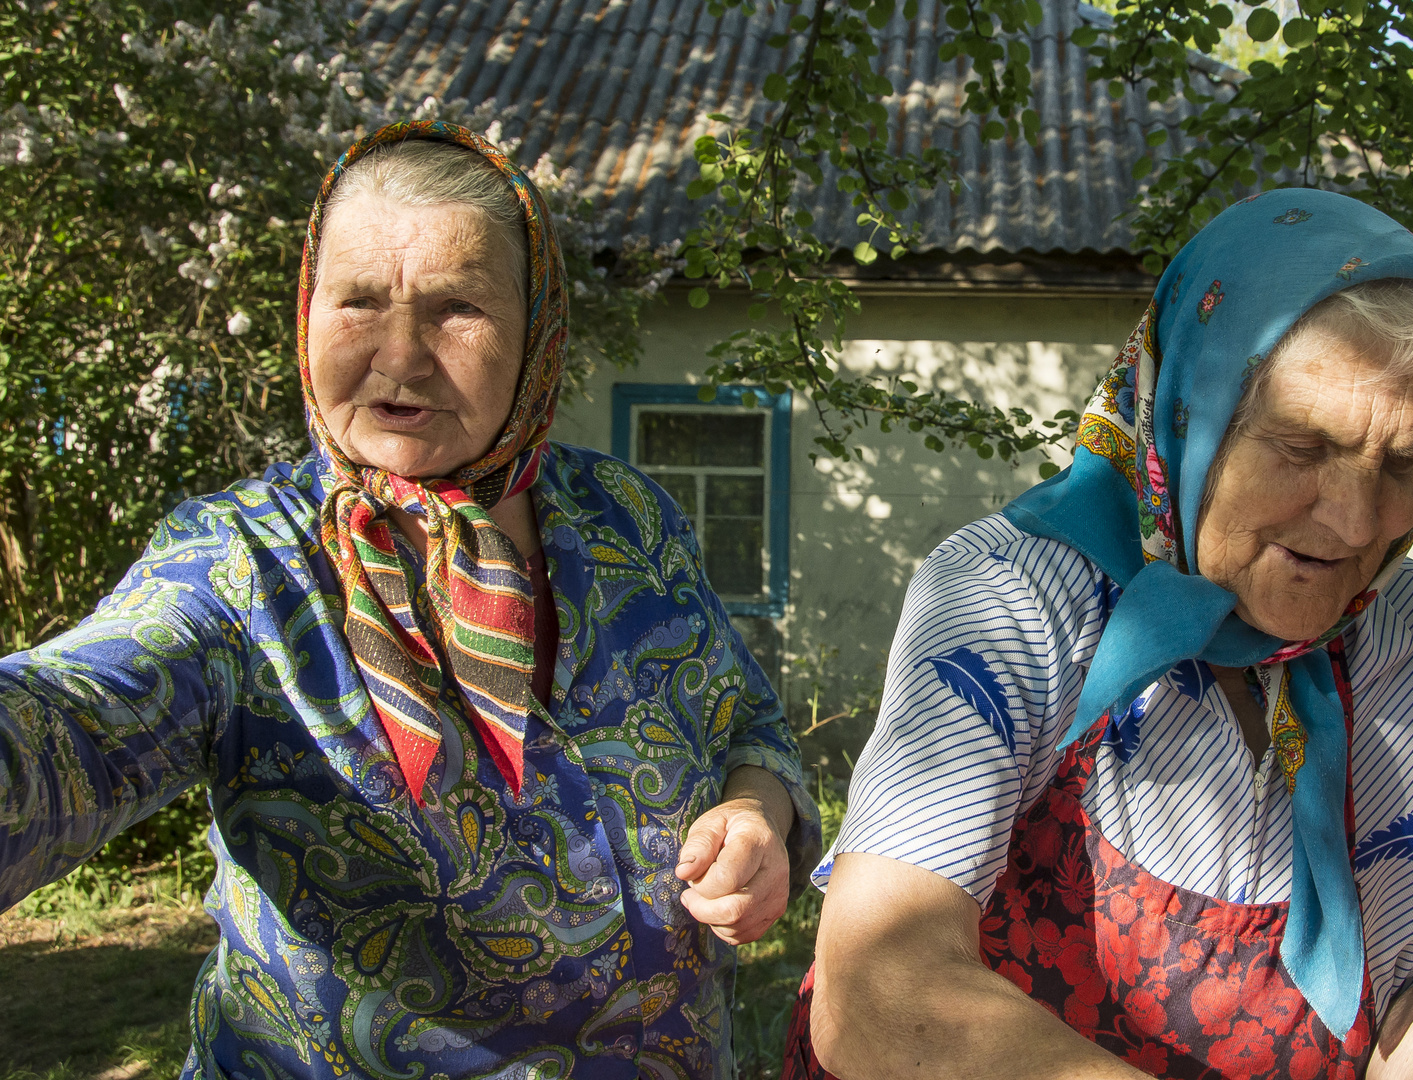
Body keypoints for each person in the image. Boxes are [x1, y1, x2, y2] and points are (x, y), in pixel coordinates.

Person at [0, 121, 818, 1080]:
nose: (400, 354)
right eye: (356, 300)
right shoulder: (242, 564)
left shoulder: (626, 517)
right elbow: (73, 722)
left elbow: (744, 720)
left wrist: (755, 814)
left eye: (455, 307)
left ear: (539, 327)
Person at [783, 189, 1413, 1079]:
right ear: (1190, 414)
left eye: (1405, 462)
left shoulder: (1409, 641)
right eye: (1302, 447)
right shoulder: (1012, 596)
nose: (1355, 519)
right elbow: (879, 997)